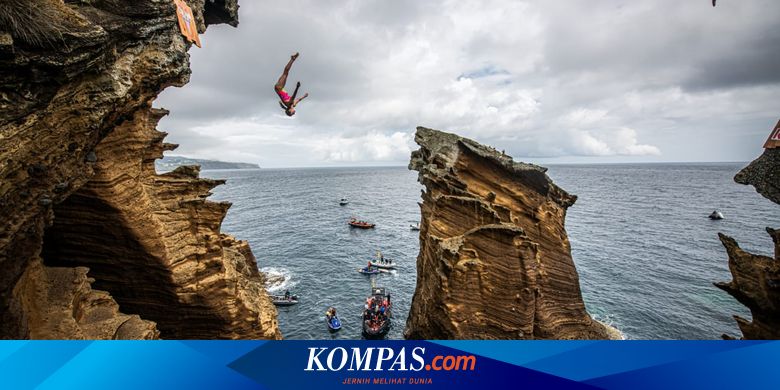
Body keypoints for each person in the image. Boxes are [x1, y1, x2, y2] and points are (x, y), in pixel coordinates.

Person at [274, 52, 309, 116]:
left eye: (292, 113)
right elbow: (298, 99)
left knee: (285, 73)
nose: (294, 113)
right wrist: (304, 96)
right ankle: (292, 59)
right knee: (286, 73)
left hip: (279, 88)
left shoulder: (289, 104)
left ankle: (292, 59)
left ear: (290, 110)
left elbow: (293, 96)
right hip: (280, 88)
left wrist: (297, 87)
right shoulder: (293, 104)